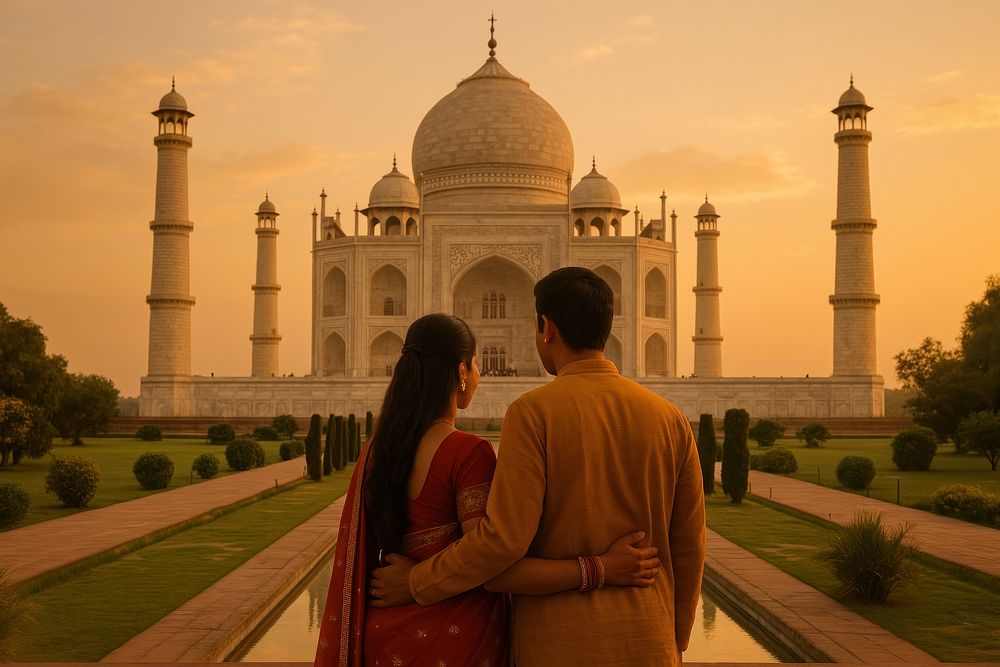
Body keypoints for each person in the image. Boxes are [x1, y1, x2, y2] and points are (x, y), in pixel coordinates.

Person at [371, 268, 707, 666]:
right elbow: (689, 545)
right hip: (650, 642)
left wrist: (416, 581)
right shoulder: (670, 418)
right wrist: (676, 637)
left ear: (546, 327)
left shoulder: (533, 414)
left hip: (556, 645)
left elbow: (501, 546)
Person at [314, 313, 661, 667]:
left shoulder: (377, 449)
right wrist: (600, 567)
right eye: (477, 363)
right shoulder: (465, 452)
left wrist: (412, 580)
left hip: (385, 635)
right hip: (451, 637)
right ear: (462, 373)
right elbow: (492, 561)